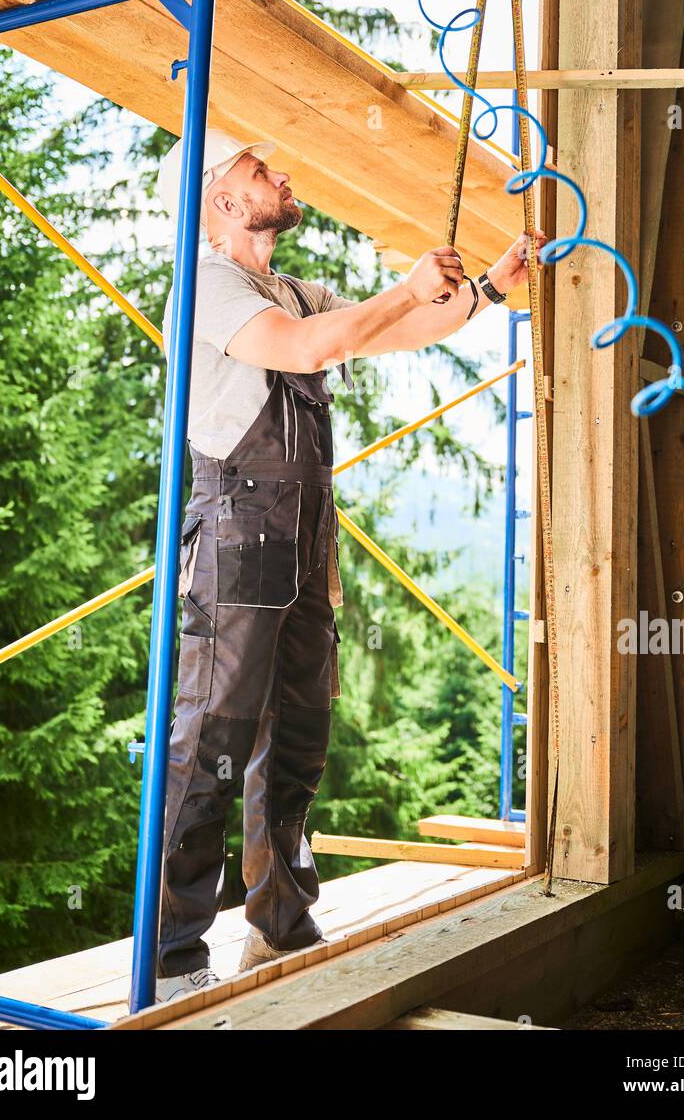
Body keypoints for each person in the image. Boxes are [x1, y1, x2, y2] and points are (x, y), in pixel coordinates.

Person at [153, 127, 543, 1002]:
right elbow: (307, 350)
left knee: (297, 737)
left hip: (301, 542)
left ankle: (280, 930)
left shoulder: (291, 290)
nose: (282, 173)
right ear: (222, 199)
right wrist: (404, 288)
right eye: (261, 171)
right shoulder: (208, 287)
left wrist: (484, 288)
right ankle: (174, 953)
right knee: (209, 740)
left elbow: (391, 330)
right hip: (234, 541)